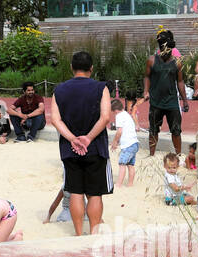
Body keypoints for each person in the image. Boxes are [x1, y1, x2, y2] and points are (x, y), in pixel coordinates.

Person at [44, 50, 112, 235]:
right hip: (95, 146)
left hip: (69, 148)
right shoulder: (101, 88)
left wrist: (73, 139)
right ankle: (94, 232)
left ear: (72, 68)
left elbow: (55, 120)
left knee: (75, 191)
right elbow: (105, 117)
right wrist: (88, 138)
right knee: (95, 193)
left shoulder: (59, 90)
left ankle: (78, 232)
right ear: (91, 68)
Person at [141, 30, 185, 157]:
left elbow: (180, 82)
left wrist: (185, 101)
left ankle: (179, 155)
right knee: (153, 129)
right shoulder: (152, 60)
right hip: (156, 102)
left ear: (171, 47)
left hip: (172, 102)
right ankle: (151, 155)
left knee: (176, 130)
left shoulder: (177, 62)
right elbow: (147, 77)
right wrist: (146, 91)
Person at [109, 97, 139, 187]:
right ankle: (130, 184)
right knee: (130, 165)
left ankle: (119, 184)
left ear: (115, 111)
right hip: (135, 143)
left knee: (122, 164)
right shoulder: (126, 114)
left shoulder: (119, 116)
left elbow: (119, 131)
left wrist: (114, 142)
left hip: (128, 145)